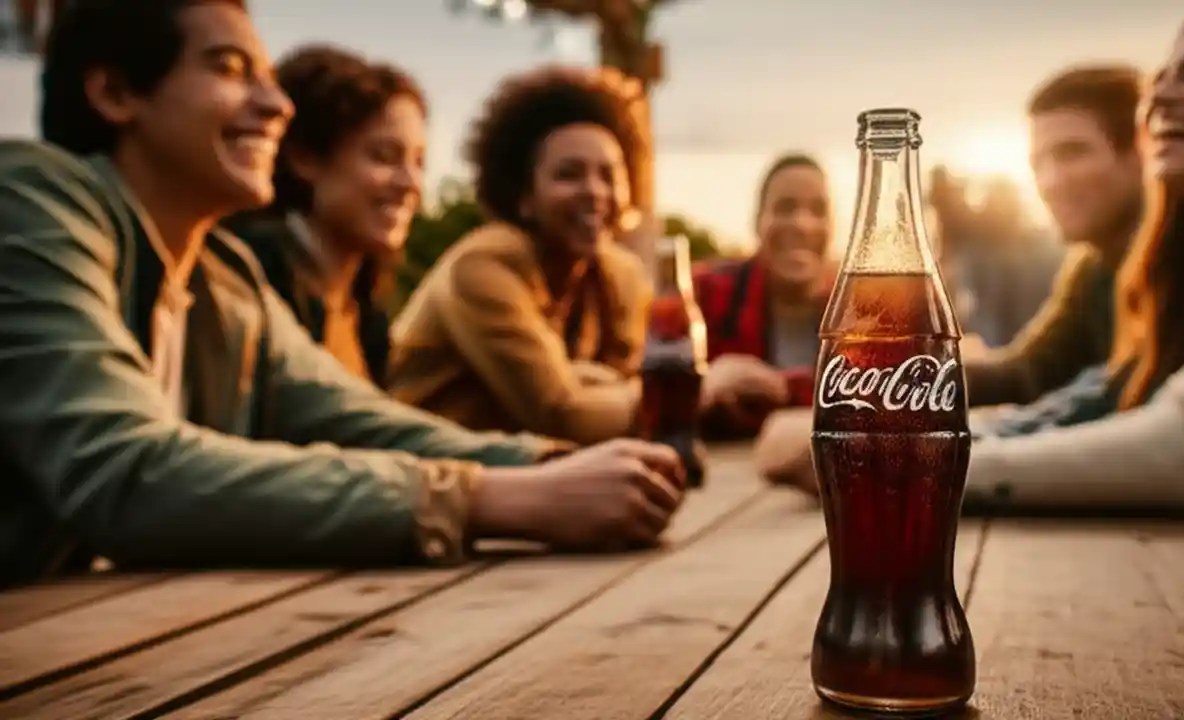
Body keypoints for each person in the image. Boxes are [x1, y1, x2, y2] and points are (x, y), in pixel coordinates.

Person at [0, 0, 684, 587]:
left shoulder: (220, 277)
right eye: (231, 69)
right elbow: (127, 472)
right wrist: (487, 497)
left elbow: (358, 419)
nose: (277, 105)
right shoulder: (31, 202)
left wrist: (550, 465)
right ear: (116, 93)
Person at [757, 0, 1184, 528]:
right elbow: (1077, 394)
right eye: (1039, 163)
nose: (1160, 96)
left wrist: (895, 460)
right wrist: (882, 425)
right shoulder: (1152, 270)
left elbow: (1183, 443)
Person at [388, 66, 651, 446]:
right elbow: (559, 413)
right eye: (569, 174)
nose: (595, 191)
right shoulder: (482, 266)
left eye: (609, 175)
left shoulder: (618, 274)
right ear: (523, 197)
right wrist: (681, 397)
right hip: (427, 477)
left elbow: (622, 390)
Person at [225, 45, 421, 387]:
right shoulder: (254, 276)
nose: (410, 183)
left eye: (420, 162)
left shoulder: (365, 310)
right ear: (305, 158)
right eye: (384, 157)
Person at [965, 65, 1146, 407]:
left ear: (1140, 150)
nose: (1049, 182)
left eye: (1072, 153)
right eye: (1037, 164)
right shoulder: (1092, 268)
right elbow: (1028, 373)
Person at [692, 154, 834, 438]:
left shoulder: (866, 311)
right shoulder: (704, 293)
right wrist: (702, 386)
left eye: (818, 210)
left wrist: (779, 388)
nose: (802, 225)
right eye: (785, 208)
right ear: (757, 221)